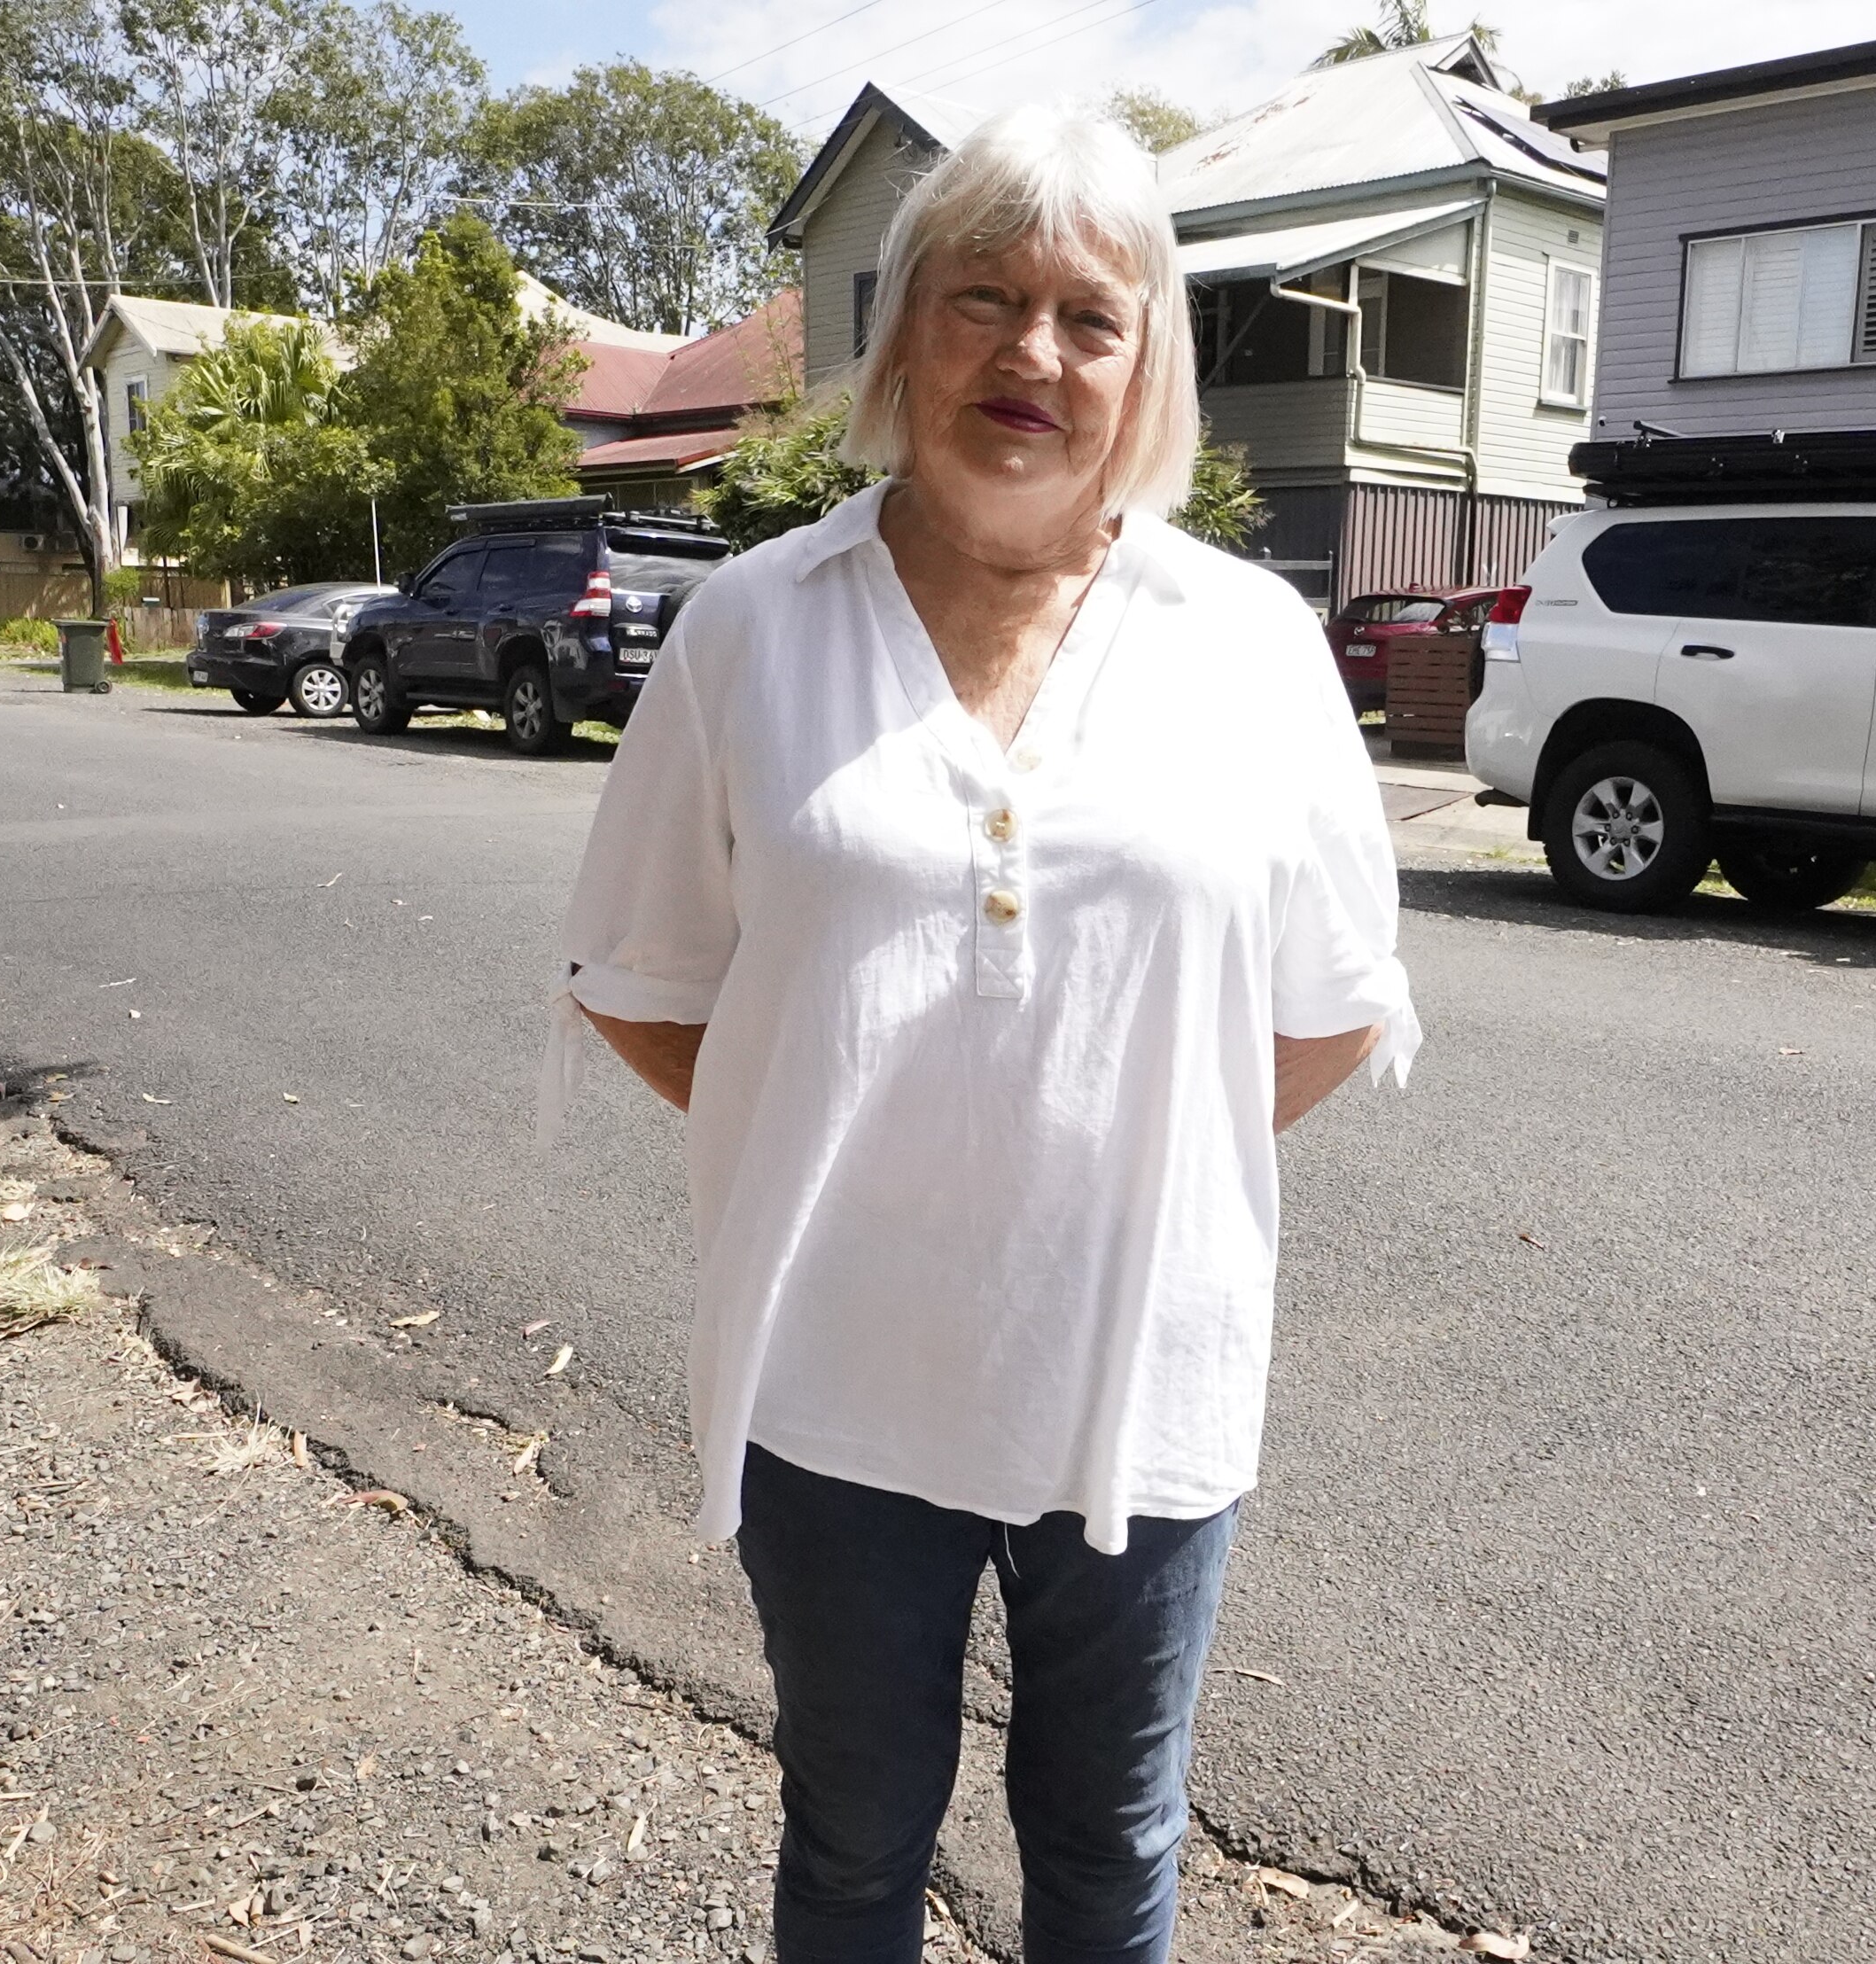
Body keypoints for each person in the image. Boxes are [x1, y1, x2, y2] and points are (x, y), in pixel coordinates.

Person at [554, 103, 1417, 1964]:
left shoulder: (1252, 645)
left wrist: (1130, 1169)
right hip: (838, 1379)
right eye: (980, 299)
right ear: (901, 336)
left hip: (1144, 1371)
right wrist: (844, 1137)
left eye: (1089, 317)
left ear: (1150, 365)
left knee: (1108, 1847)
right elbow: (646, 979)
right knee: (856, 1836)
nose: (1033, 353)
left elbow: (1331, 1011)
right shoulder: (754, 632)